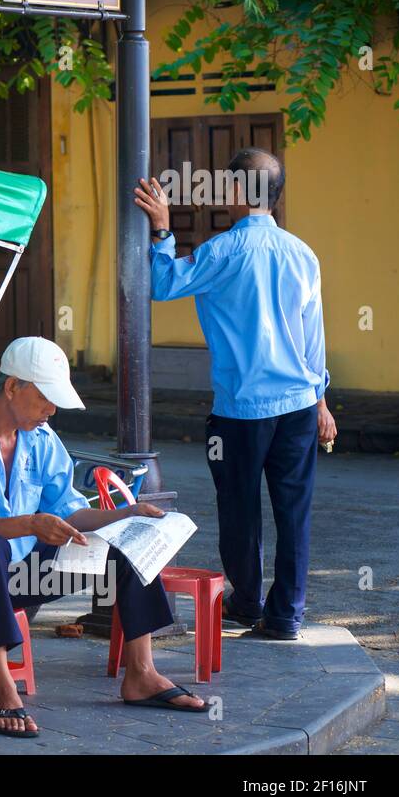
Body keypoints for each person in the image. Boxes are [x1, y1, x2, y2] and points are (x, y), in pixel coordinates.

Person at [0, 336, 205, 738]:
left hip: (18, 576)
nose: (51, 410)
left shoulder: (42, 439)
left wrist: (126, 515)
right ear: (12, 387)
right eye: (45, 398)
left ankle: (141, 673)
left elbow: (69, 512)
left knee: (123, 545)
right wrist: (28, 524)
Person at [133, 148, 335, 641]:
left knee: (239, 510)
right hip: (299, 406)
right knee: (295, 513)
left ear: (241, 192)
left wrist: (162, 230)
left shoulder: (223, 252)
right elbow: (315, 340)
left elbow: (161, 283)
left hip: (241, 411)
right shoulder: (303, 254)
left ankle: (246, 603)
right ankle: (285, 616)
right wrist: (323, 401)